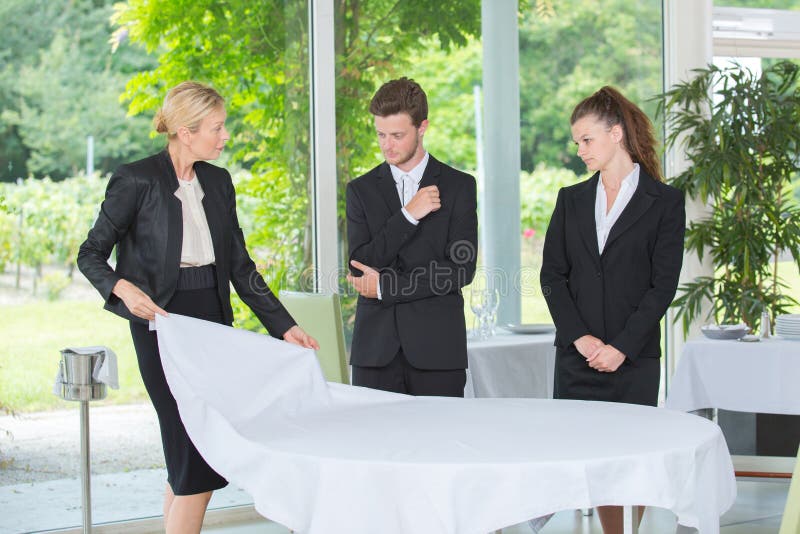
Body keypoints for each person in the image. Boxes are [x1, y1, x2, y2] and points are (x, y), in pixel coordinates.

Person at [77, 81, 318, 534]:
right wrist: (122, 288)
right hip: (161, 324)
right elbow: (90, 253)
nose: (225, 136)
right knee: (193, 454)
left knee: (188, 454)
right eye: (217, 128)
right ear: (186, 132)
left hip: (212, 320)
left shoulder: (218, 181)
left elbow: (241, 267)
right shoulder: (136, 180)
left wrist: (284, 327)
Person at [539, 85, 685, 534]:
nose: (580, 150)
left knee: (631, 462)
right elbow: (552, 277)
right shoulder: (571, 200)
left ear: (616, 134)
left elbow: (662, 288)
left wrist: (620, 347)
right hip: (578, 358)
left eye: (587, 140)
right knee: (593, 462)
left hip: (633, 358)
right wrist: (582, 339)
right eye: (577, 142)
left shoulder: (665, 203)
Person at [345, 77, 478, 397]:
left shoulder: (459, 186)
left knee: (441, 444)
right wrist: (408, 215)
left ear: (423, 128)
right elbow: (359, 264)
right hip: (374, 354)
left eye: (397, 135)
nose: (387, 144)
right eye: (380, 134)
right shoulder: (360, 191)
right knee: (372, 446)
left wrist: (386, 286)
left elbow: (461, 269)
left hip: (438, 353)